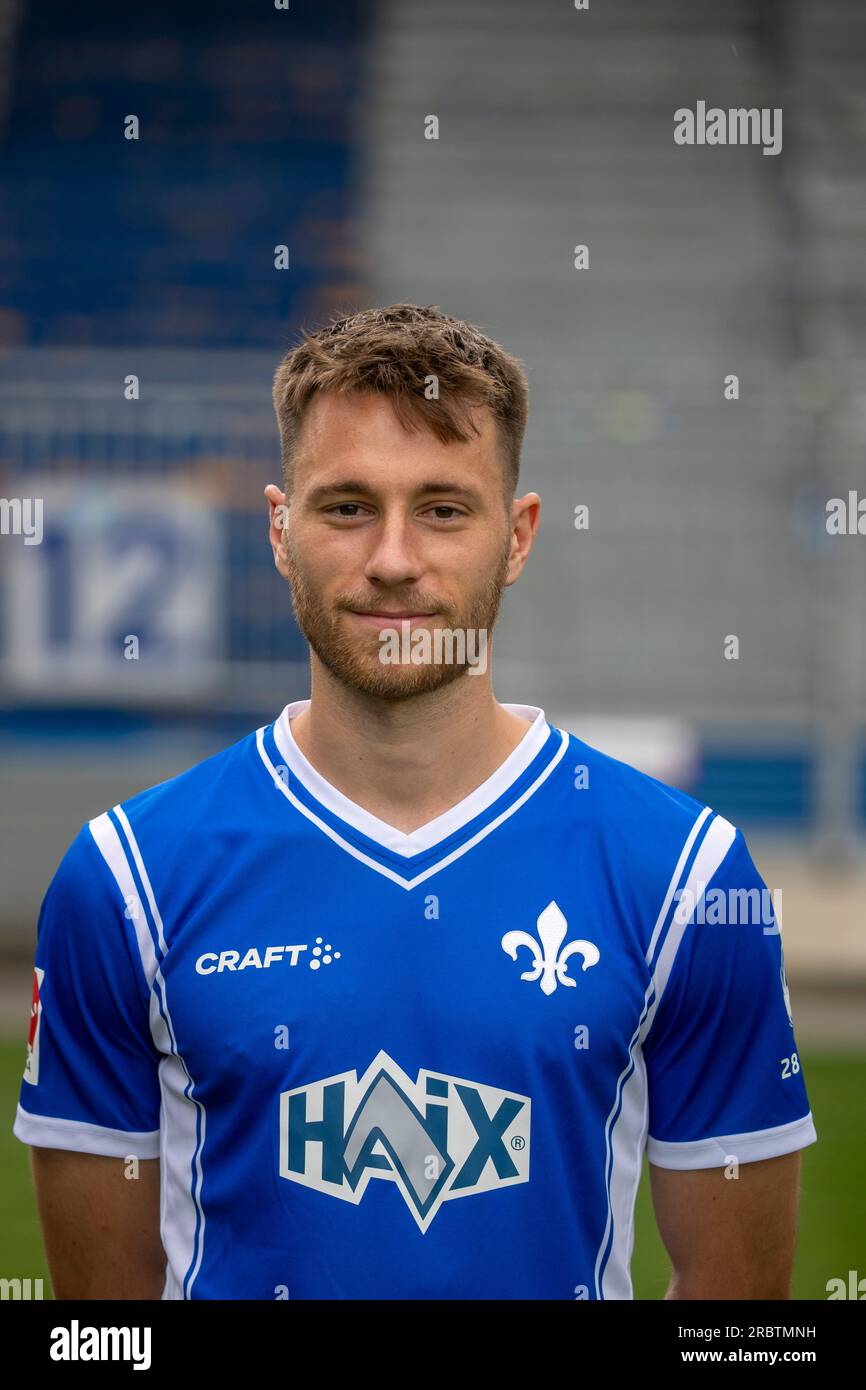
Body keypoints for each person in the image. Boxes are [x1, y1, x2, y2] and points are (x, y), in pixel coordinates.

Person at [13, 303, 817, 1299]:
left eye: (442, 509)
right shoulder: (125, 878)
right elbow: (105, 1330)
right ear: (280, 530)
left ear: (516, 536)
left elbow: (740, 1320)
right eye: (348, 507)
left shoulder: (684, 877)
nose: (392, 559)